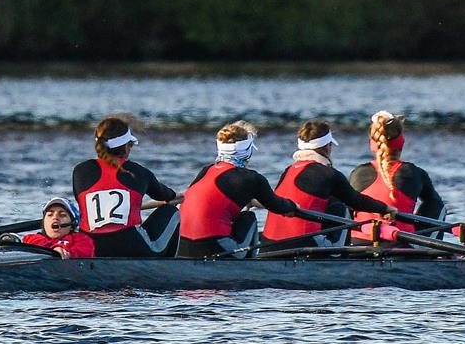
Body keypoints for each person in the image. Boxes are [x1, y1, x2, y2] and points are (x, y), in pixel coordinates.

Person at [261, 121, 399, 253]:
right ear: (327, 147)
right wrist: (385, 208)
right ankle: (341, 259)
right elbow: (357, 201)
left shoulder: (288, 171)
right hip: (300, 247)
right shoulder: (329, 174)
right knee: (342, 206)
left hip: (268, 245)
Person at [176, 122, 310, 259]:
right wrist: (293, 206)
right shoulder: (252, 178)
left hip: (183, 246)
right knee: (248, 217)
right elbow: (277, 206)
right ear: (248, 150)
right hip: (213, 247)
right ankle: (248, 270)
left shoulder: (206, 170)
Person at [73, 116, 180, 256]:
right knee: (171, 211)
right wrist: (177, 196)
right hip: (132, 249)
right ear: (125, 146)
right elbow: (166, 196)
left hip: (90, 249)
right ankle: (168, 268)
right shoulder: (139, 172)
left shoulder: (80, 170)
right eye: (130, 144)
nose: (130, 148)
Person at [346, 110, 446, 244]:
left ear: (372, 144)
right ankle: (428, 250)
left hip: (357, 243)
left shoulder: (357, 173)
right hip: (400, 243)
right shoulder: (413, 172)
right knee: (438, 205)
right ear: (402, 142)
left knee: (343, 201)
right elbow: (434, 205)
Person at [10, 196, 95, 258]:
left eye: (62, 215)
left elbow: (84, 254)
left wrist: (64, 253)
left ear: (72, 224)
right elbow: (30, 242)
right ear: (44, 223)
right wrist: (53, 250)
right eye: (50, 215)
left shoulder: (82, 240)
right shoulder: (31, 238)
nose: (55, 217)